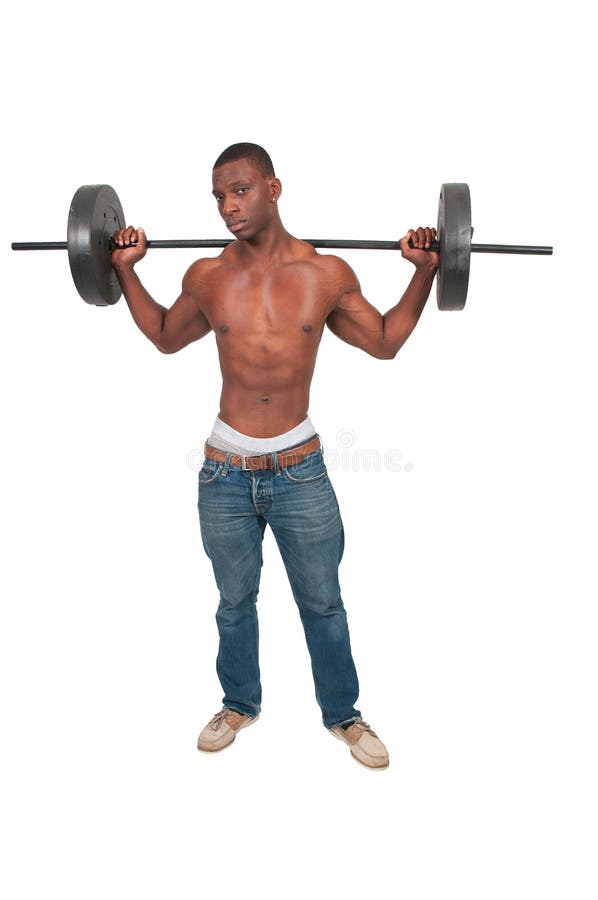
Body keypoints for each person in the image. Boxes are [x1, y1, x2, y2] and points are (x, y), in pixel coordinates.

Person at [110, 143, 438, 770]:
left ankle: (343, 715)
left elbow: (385, 341)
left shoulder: (325, 274)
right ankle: (238, 703)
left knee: (323, 603)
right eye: (218, 197)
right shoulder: (207, 276)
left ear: (273, 189)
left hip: (299, 468)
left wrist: (424, 271)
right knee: (234, 603)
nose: (228, 207)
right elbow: (165, 336)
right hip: (224, 469)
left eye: (239, 191)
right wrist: (125, 270)